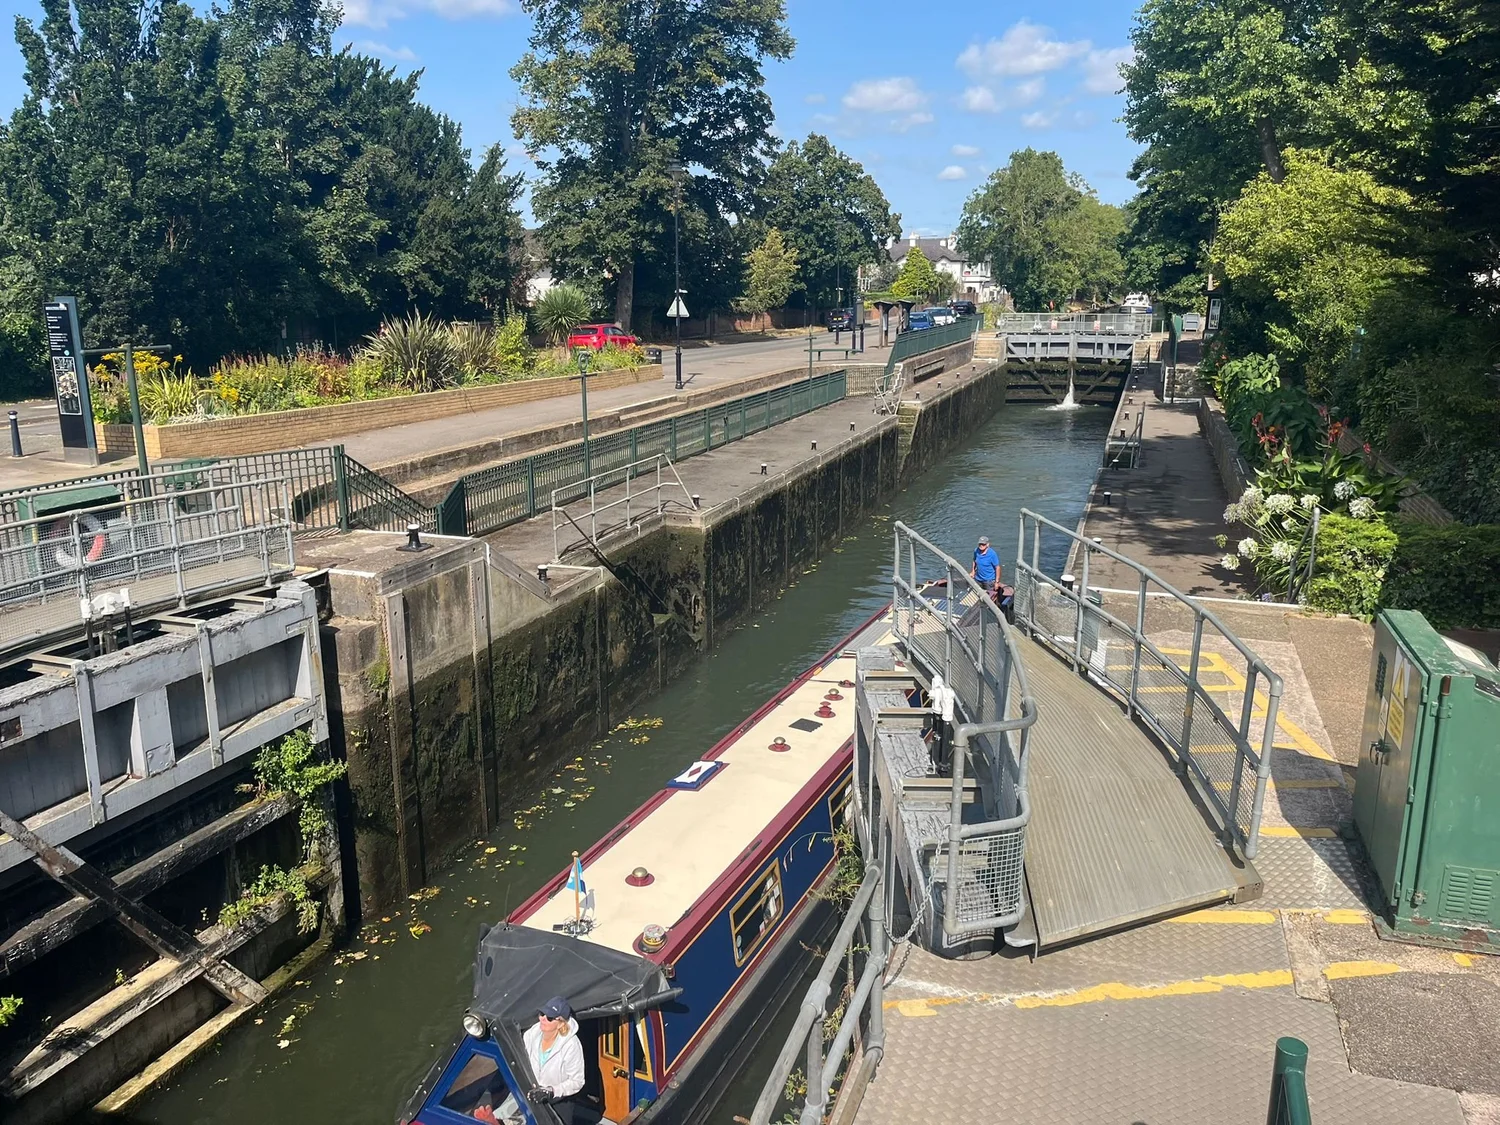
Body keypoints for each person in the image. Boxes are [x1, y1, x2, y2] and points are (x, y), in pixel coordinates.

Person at [521, 996, 586, 1124]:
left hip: (559, 1101)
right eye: (542, 1014)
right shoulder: (531, 1035)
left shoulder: (572, 1045)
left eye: (549, 1018)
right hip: (533, 1096)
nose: (542, 1019)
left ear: (561, 1023)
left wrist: (551, 1091)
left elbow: (577, 1081)